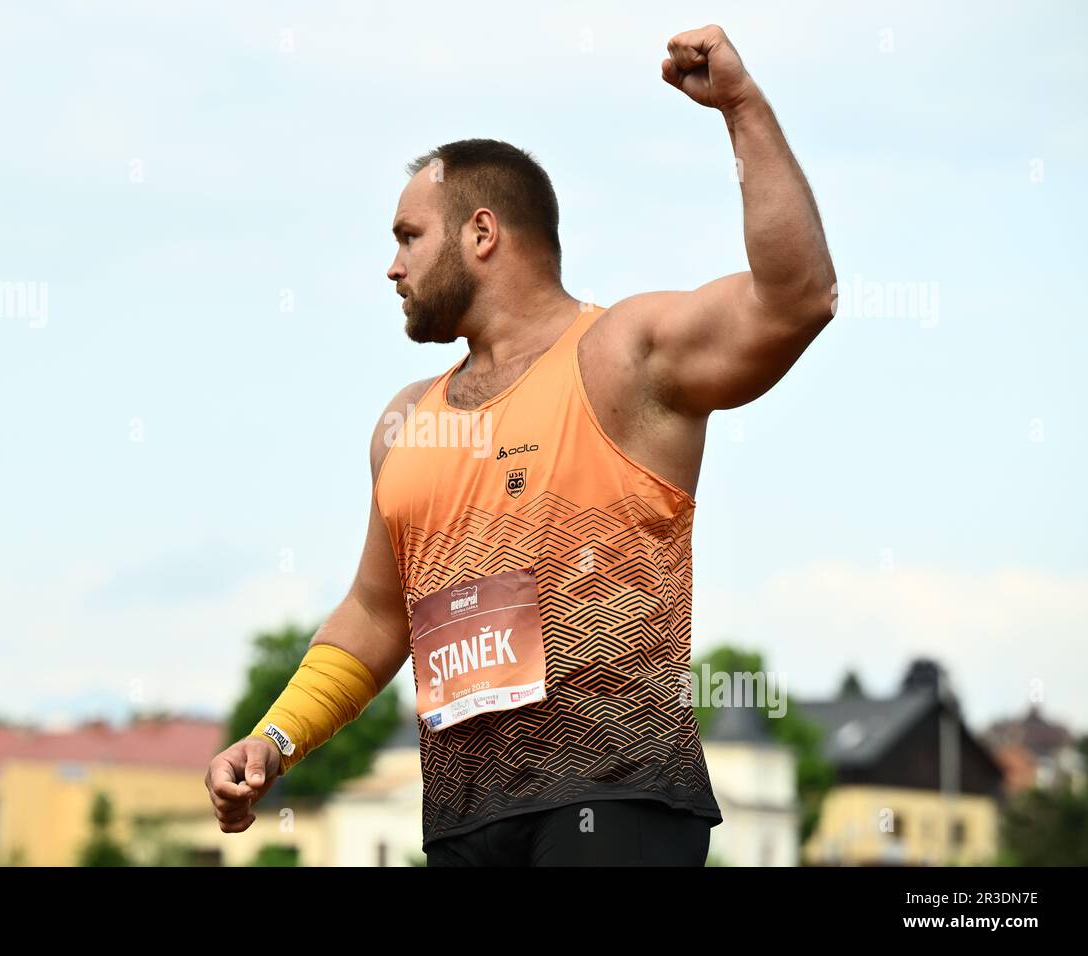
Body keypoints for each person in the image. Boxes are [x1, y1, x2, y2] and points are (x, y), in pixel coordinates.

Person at [205, 24, 835, 866]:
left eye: (407, 236)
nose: (391, 268)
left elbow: (797, 300)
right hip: (462, 820)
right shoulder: (404, 425)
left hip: (615, 795)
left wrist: (742, 109)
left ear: (481, 233)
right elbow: (375, 615)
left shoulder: (618, 357)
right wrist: (274, 740)